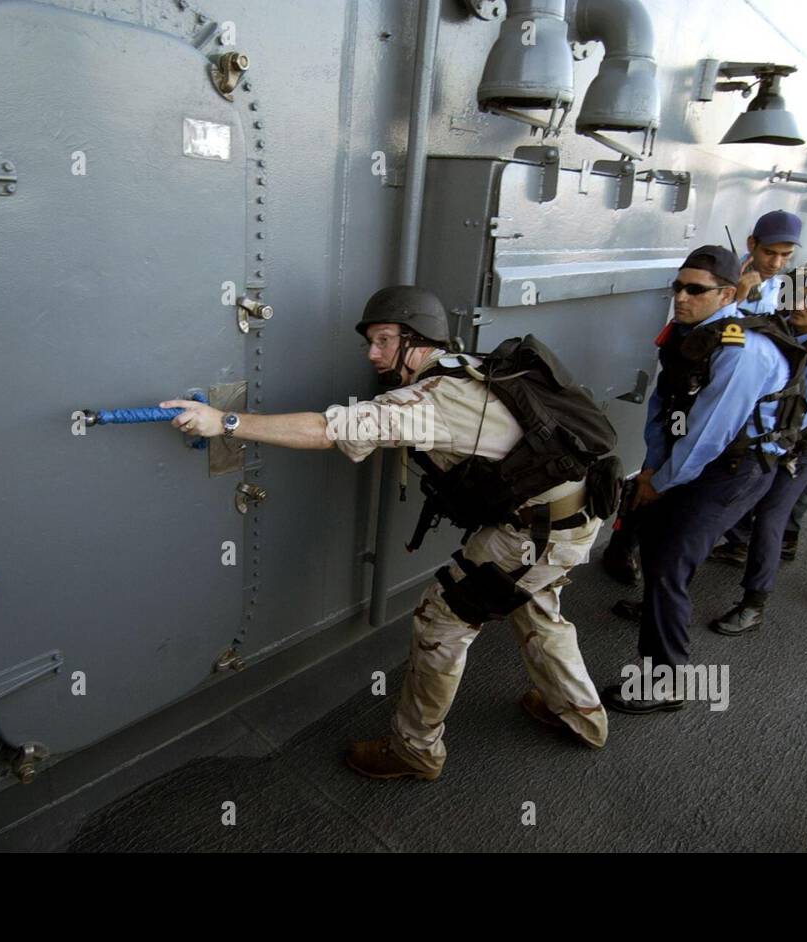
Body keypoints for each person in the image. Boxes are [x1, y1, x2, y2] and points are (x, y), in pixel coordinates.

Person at [159, 285, 611, 780]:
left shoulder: (433, 397)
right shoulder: (469, 368)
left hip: (535, 534)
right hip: (566, 519)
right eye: (369, 343)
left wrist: (223, 421)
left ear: (415, 340)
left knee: (441, 621)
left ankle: (416, 749)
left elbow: (325, 430)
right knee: (535, 605)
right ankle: (582, 716)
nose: (372, 355)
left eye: (383, 341)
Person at [601, 246, 804, 714]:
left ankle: (663, 682)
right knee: (656, 541)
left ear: (728, 294)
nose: (681, 297)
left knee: (671, 560)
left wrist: (661, 480)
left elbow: (710, 434)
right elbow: (665, 403)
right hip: (689, 461)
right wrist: (652, 465)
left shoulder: (741, 351)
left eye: (695, 290)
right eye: (677, 286)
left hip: (732, 470)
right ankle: (659, 609)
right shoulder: (693, 334)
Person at [709, 268, 807, 635]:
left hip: (797, 449)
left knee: (770, 518)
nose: (797, 304)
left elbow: (800, 417)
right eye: (796, 294)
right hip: (770, 437)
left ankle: (754, 604)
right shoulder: (793, 330)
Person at [736, 209, 802, 316]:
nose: (775, 264)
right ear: (751, 244)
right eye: (769, 252)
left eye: (785, 255)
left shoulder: (779, 287)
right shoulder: (720, 277)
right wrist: (734, 300)